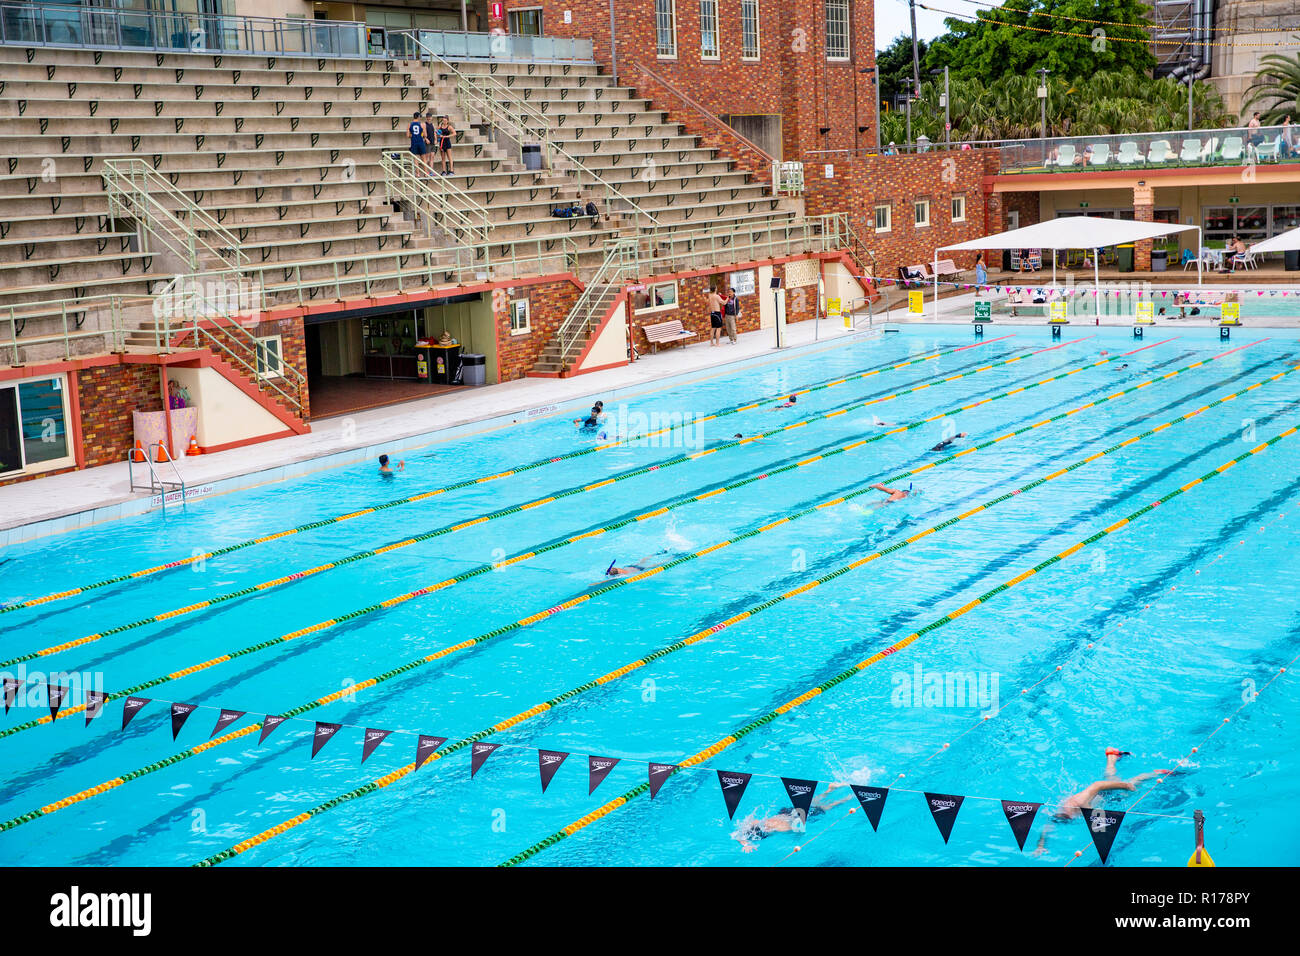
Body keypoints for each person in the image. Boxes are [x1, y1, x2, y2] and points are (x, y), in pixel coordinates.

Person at [1034, 748, 1174, 855]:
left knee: (1132, 785)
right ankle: (1112, 755)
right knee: (1110, 775)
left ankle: (1155, 773)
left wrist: (1125, 786)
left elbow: (1097, 785)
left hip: (1105, 792)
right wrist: (1040, 845)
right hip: (1102, 797)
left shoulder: (1079, 802)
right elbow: (1048, 826)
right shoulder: (1062, 813)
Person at [733, 783, 853, 853]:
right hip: (785, 811)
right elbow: (738, 834)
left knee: (826, 807)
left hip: (798, 814)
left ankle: (848, 798)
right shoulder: (757, 822)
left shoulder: (782, 828)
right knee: (811, 801)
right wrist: (744, 844)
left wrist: (798, 839)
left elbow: (799, 827)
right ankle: (829, 789)